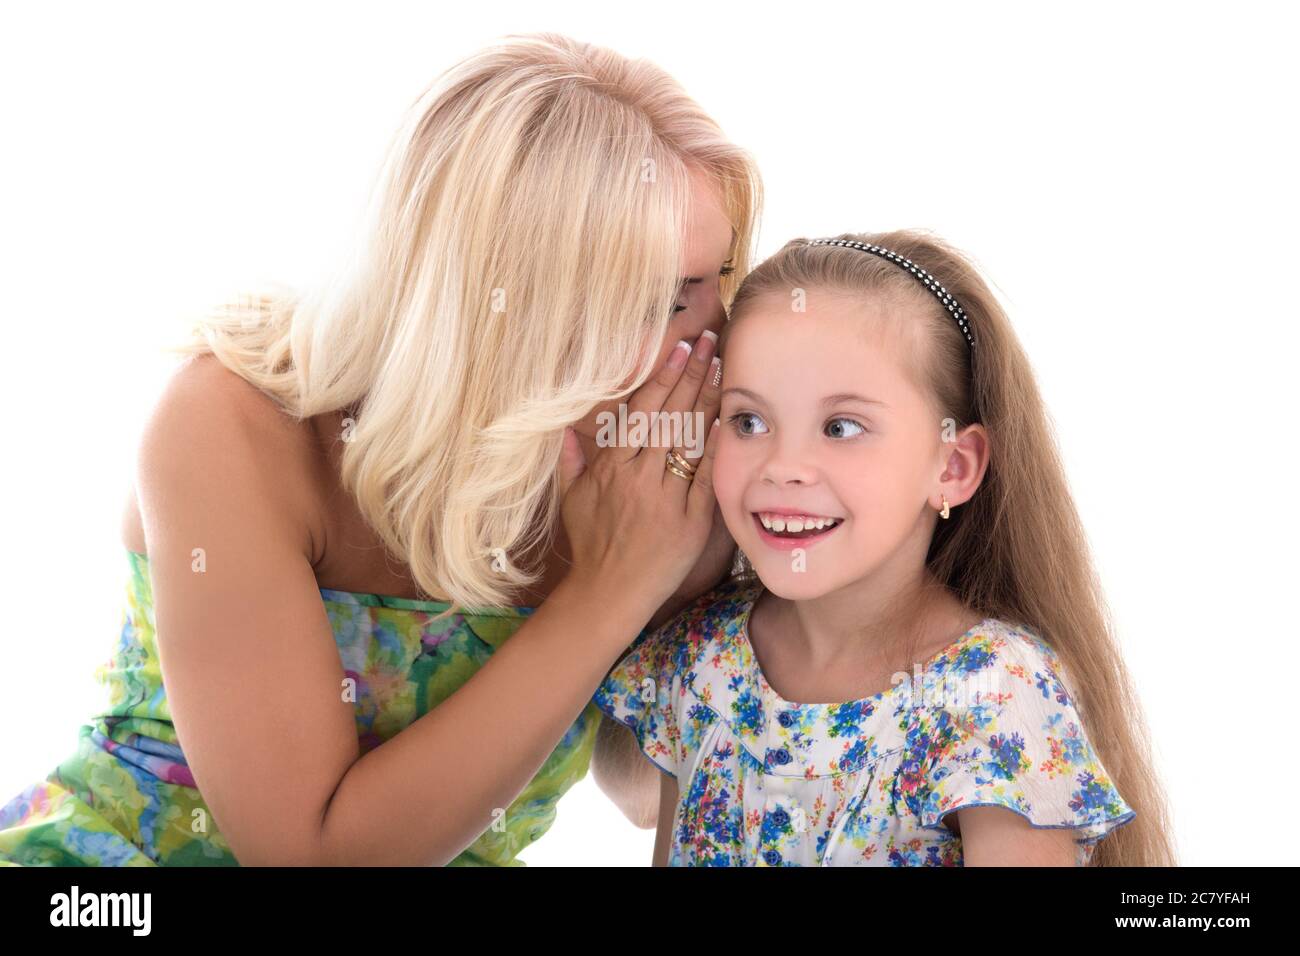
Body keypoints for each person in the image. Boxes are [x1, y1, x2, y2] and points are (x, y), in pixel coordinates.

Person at [0, 31, 761, 866]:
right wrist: (611, 592)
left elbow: (643, 791)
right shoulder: (234, 422)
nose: (714, 340)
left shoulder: (660, 467)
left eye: (715, 282)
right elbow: (307, 855)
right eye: (665, 301)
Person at [595, 230, 1177, 866]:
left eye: (842, 427)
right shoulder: (699, 658)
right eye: (749, 421)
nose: (784, 467)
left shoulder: (991, 693)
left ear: (952, 467)